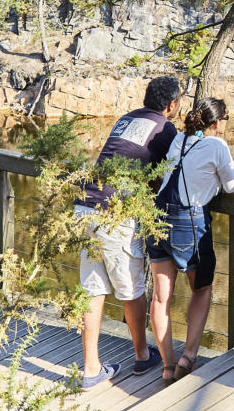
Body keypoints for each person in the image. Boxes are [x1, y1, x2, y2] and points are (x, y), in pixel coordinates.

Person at [74, 77, 179, 389]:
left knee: (92, 289)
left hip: (85, 205)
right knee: (132, 288)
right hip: (114, 211)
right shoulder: (165, 128)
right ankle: (143, 354)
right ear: (172, 105)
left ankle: (91, 368)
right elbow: (170, 173)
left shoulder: (126, 118)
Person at [149, 97, 234, 382]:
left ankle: (167, 365)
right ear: (217, 122)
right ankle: (188, 357)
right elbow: (231, 184)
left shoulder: (179, 139)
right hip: (188, 223)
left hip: (157, 217)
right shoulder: (217, 145)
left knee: (160, 295)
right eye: (225, 120)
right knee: (201, 289)